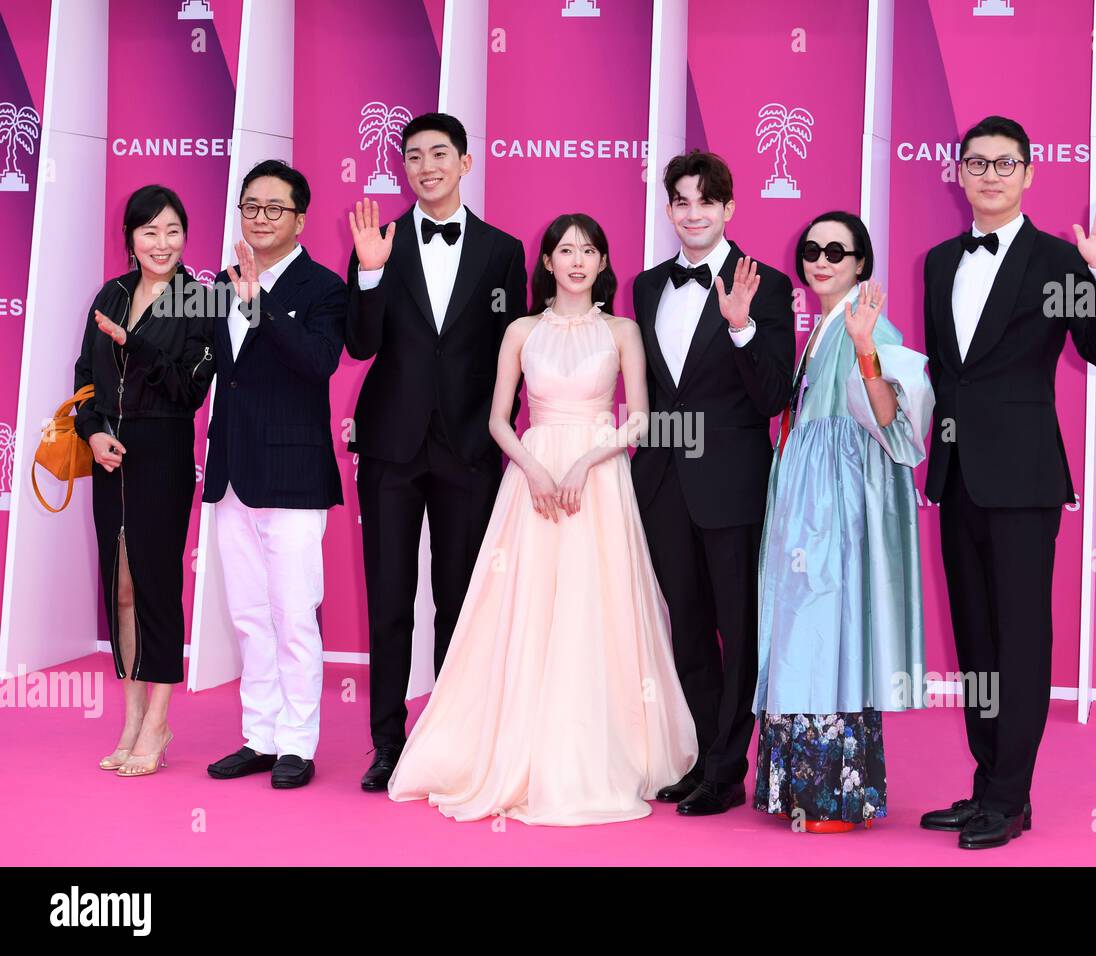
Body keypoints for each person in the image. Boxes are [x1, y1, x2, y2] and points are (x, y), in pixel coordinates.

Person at [387, 214, 697, 824]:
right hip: (532, 479)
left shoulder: (624, 330)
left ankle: (610, 749)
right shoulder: (521, 331)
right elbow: (500, 418)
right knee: (524, 610)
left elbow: (639, 417)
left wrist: (587, 460)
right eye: (564, 249)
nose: (577, 260)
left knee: (597, 608)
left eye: (588, 249)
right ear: (547, 262)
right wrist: (531, 467)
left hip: (599, 479)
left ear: (604, 261)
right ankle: (513, 749)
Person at [918, 116, 1096, 848]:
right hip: (958, 474)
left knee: (1020, 638)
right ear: (960, 173)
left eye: (1005, 164)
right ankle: (986, 784)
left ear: (1030, 174)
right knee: (976, 639)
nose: (990, 175)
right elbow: (948, 375)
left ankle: (1010, 797)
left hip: (1026, 477)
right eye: (977, 163)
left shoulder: (1060, 261)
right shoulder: (940, 261)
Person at [345, 112, 528, 792]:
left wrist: (502, 435)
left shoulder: (502, 250)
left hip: (470, 451)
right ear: (403, 167)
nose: (427, 166)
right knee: (391, 599)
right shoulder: (378, 241)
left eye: (440, 154)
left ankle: (453, 739)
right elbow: (359, 345)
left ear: (466, 162)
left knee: (460, 601)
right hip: (392, 448)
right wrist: (368, 275)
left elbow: (515, 350)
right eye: (414, 156)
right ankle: (387, 745)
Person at [753, 212, 934, 832]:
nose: (822, 259)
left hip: (838, 511)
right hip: (806, 507)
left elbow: (893, 420)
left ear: (862, 263)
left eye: (838, 250)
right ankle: (807, 788)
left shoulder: (869, 323)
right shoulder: (819, 328)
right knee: (805, 636)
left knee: (828, 636)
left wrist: (865, 350)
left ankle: (834, 794)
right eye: (812, 249)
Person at [631, 151, 795, 816]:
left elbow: (772, 394)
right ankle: (701, 758)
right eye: (681, 201)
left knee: (737, 627)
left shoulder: (769, 283)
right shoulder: (645, 287)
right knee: (689, 629)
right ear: (668, 208)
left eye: (705, 201)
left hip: (730, 481)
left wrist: (741, 327)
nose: (692, 213)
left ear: (728, 208)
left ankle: (730, 769)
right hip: (662, 480)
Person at [203, 160, 346, 790]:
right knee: (248, 615)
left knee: (293, 613)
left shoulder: (322, 287)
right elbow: (217, 370)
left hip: (292, 473)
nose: (259, 218)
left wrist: (259, 302)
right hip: (232, 469)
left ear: (299, 218)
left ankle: (297, 742)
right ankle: (259, 735)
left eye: (273, 208)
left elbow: (318, 362)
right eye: (250, 206)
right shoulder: (220, 280)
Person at [74, 184, 215, 776]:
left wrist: (136, 343)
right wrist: (93, 432)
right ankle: (131, 717)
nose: (162, 243)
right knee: (121, 585)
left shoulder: (200, 301)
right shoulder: (110, 293)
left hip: (162, 452)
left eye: (173, 231)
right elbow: (85, 379)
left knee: (155, 583)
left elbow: (189, 389)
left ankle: (158, 719)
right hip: (112, 456)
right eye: (149, 231)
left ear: (186, 236)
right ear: (130, 237)